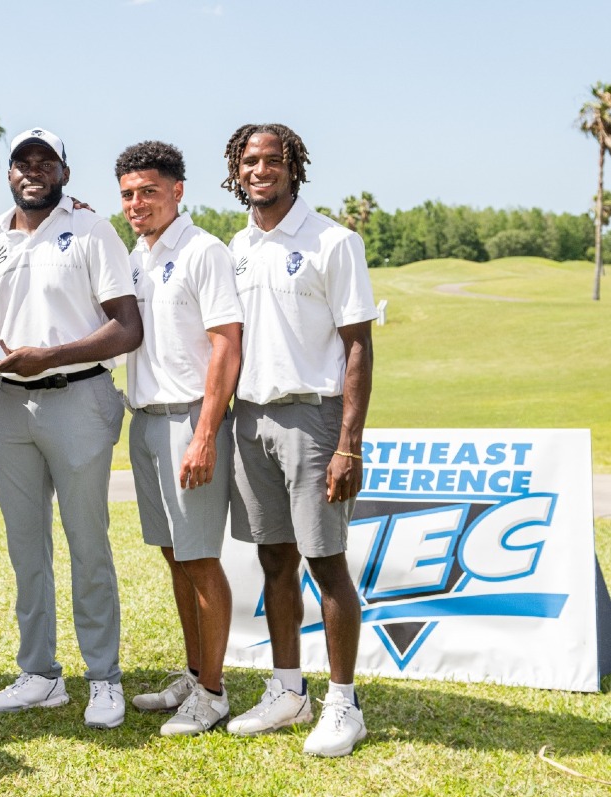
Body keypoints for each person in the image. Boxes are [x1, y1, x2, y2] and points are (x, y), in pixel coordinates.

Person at [0, 128, 143, 729]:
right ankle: (39, 675)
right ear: (9, 172)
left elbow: (126, 328)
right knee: (25, 548)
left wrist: (51, 355)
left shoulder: (93, 231)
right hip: (10, 405)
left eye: (46, 161)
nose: (33, 170)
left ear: (64, 173)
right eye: (23, 161)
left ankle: (104, 677)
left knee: (87, 543)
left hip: (79, 398)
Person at [219, 123, 376, 757]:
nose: (261, 169)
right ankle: (288, 691)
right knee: (274, 559)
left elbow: (358, 345)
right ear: (237, 170)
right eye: (249, 161)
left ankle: (344, 703)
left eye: (272, 160)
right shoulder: (236, 244)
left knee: (326, 562)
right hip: (249, 418)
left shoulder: (333, 242)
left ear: (293, 166)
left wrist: (349, 444)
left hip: (314, 418)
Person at [114, 142, 242, 736]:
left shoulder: (203, 251)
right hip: (145, 421)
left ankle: (213, 692)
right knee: (173, 554)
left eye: (148, 191)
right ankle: (194, 673)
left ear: (178, 191)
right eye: (128, 194)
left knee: (199, 558)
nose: (137, 204)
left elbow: (225, 344)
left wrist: (206, 432)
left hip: (190, 419)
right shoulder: (136, 255)